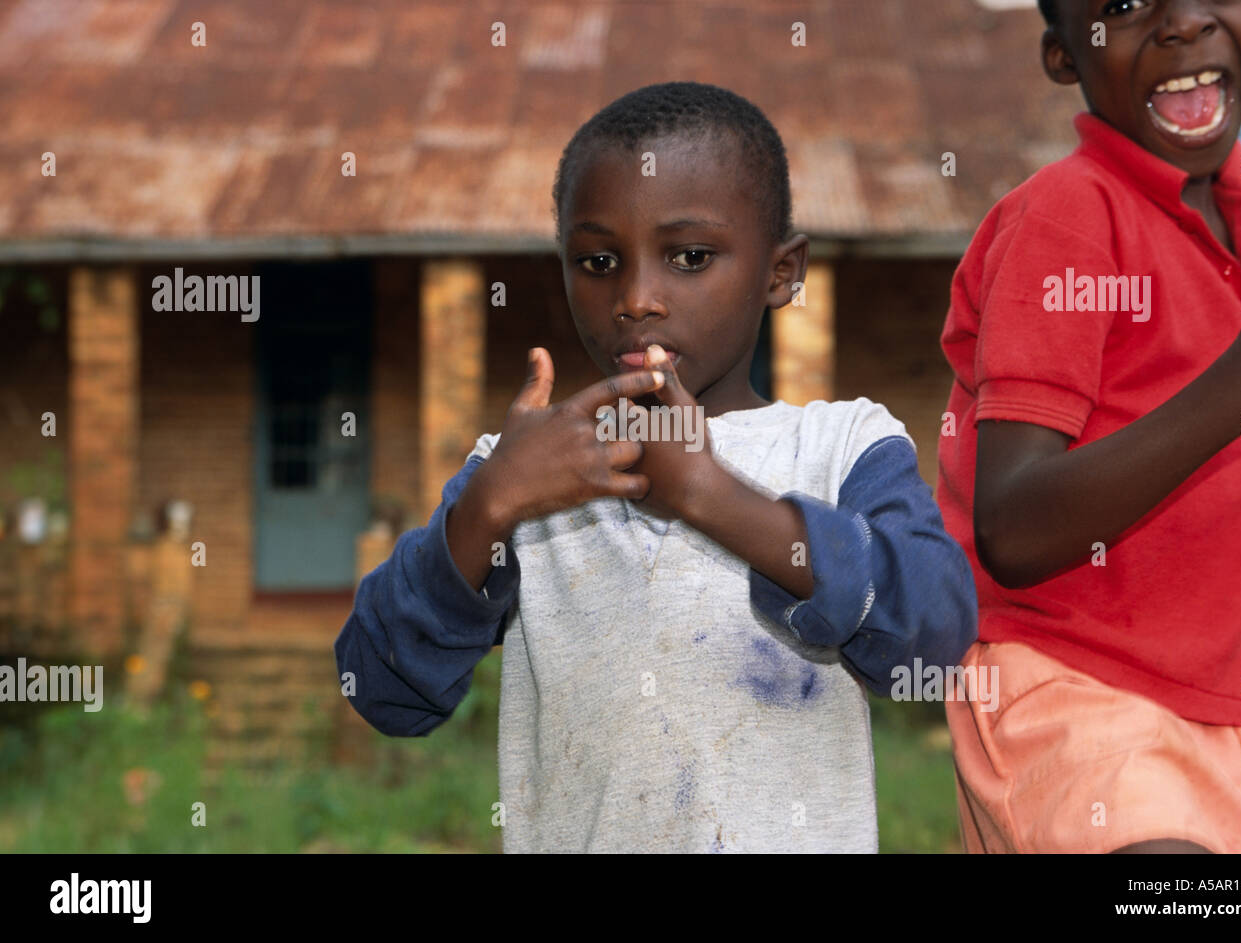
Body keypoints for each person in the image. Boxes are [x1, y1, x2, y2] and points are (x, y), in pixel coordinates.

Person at [336, 81, 977, 852]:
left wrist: (713, 496)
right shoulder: (532, 472)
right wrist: (484, 512)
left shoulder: (838, 447)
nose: (636, 298)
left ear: (782, 273)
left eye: (691, 256)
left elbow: (933, 638)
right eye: (599, 261)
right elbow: (379, 688)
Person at [938, 0, 1241, 853]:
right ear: (1064, 57)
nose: (1181, 23)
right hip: (1086, 698)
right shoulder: (1067, 216)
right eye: (1127, 6)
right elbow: (1013, 525)